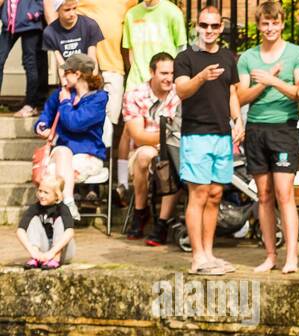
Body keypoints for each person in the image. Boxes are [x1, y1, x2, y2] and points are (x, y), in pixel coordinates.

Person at [237, 1, 299, 274]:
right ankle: (270, 255)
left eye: (275, 23)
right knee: (264, 196)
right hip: (255, 128)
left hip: (283, 128)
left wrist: (273, 79)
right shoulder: (247, 58)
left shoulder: (296, 54)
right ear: (259, 25)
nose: (270, 28)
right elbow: (241, 97)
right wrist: (262, 83)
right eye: (265, 23)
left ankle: (292, 256)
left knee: (284, 193)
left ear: (281, 23)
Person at [173, 5, 241, 276]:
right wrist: (201, 77)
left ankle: (209, 254)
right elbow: (181, 90)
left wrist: (238, 121)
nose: (209, 31)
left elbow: (232, 93)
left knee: (214, 195)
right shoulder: (185, 57)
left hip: (222, 134)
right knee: (198, 194)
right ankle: (196, 256)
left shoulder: (227, 57)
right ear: (196, 26)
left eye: (214, 26)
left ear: (220, 28)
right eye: (204, 25)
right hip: (196, 134)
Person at [33, 52, 107, 220]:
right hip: (62, 155)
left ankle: (56, 215)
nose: (63, 75)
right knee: (61, 154)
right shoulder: (59, 94)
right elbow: (45, 116)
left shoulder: (98, 99)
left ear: (77, 74)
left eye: (67, 72)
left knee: (54, 175)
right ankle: (67, 205)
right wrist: (41, 126)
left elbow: (76, 123)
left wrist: (66, 103)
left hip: (87, 155)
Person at [121, 50, 180, 242]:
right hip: (143, 150)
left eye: (172, 73)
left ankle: (162, 222)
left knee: (175, 159)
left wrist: (167, 141)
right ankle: (140, 211)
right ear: (152, 72)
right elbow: (138, 136)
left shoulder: (180, 93)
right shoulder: (135, 95)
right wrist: (164, 138)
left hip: (173, 149)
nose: (169, 78)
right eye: (164, 73)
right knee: (145, 154)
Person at [75, 0, 130, 150]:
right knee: (83, 119)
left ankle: (104, 163)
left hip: (113, 66)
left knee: (109, 120)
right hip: (84, 70)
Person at [121, 0, 185, 90]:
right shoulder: (131, 14)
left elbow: (181, 49)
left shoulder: (173, 12)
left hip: (163, 83)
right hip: (136, 84)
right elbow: (130, 50)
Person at [17, 173, 76, 268]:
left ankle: (55, 259)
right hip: (43, 250)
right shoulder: (35, 207)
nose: (41, 195)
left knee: (60, 221)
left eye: (46, 192)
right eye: (40, 191)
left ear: (57, 195)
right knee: (33, 220)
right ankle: (36, 258)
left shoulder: (62, 208)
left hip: (62, 251)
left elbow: (70, 232)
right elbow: (20, 230)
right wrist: (32, 251)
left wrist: (52, 252)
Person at [2, 0, 48, 119]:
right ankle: (30, 102)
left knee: (30, 63)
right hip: (9, 25)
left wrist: (33, 14)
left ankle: (31, 104)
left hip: (30, 25)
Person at [41, 0, 100, 71]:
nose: (72, 13)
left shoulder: (89, 25)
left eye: (74, 8)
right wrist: (66, 81)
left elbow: (92, 60)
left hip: (87, 74)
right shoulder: (50, 32)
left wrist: (89, 80)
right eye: (67, 10)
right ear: (57, 10)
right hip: (69, 75)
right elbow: (61, 65)